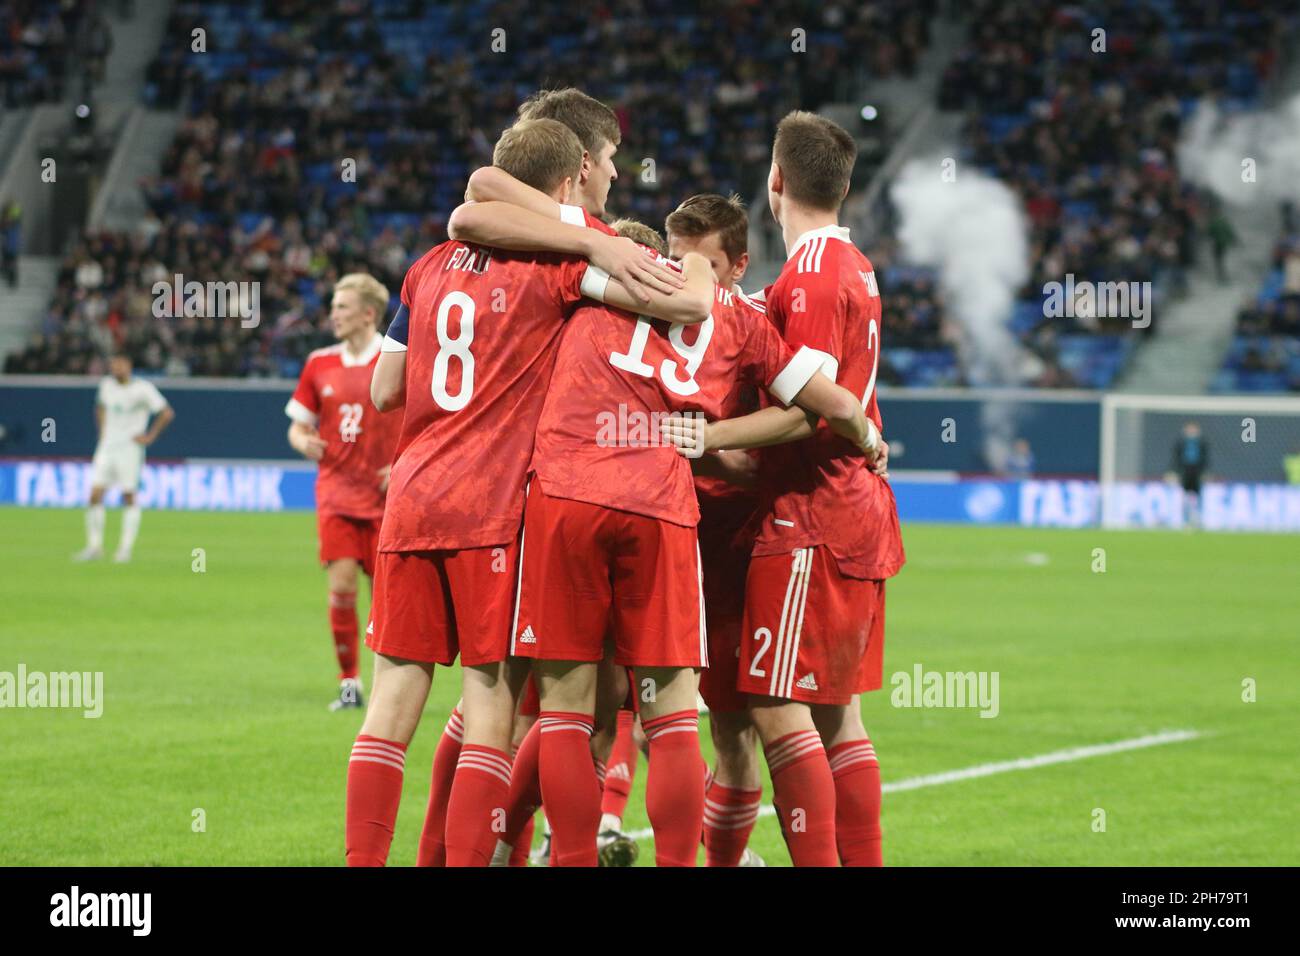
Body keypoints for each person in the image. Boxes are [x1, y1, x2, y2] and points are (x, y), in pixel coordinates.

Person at [344, 116, 703, 867]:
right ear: (570, 180)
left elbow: (382, 388)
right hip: (493, 507)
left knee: (388, 712)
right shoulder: (558, 271)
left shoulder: (425, 267)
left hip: (412, 494)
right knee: (490, 718)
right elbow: (676, 302)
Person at [670, 111, 906, 866]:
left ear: (776, 182)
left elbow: (808, 413)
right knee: (839, 717)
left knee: (777, 707)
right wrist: (869, 431)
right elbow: (843, 393)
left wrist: (703, 439)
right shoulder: (857, 266)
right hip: (852, 511)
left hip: (810, 516)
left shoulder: (806, 276)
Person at [286, 273, 403, 711]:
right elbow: (298, 425)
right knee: (340, 588)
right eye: (334, 306)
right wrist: (303, 441)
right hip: (335, 490)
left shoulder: (395, 360)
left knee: (385, 599)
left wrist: (405, 460)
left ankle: (387, 688)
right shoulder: (319, 362)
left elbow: (424, 419)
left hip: (386, 497)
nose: (333, 314)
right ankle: (349, 682)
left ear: (368, 314)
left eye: (342, 307)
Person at [74, 352, 174, 563]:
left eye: (120, 364)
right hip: (107, 447)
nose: (116, 368)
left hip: (130, 449)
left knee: (128, 495)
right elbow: (100, 407)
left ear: (129, 365)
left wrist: (150, 436)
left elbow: (166, 412)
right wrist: (102, 432)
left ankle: (124, 549)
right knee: (94, 494)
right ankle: (94, 547)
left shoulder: (143, 389)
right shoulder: (106, 385)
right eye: (113, 365)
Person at [1170, 421, 1209, 529]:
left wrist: (1205, 472)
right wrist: (1174, 472)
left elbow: (1206, 459)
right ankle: (1186, 521)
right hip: (1185, 472)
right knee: (1185, 497)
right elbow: (1175, 458)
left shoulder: (1202, 442)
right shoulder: (1181, 442)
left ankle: (1198, 519)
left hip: (1197, 472)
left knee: (1199, 497)